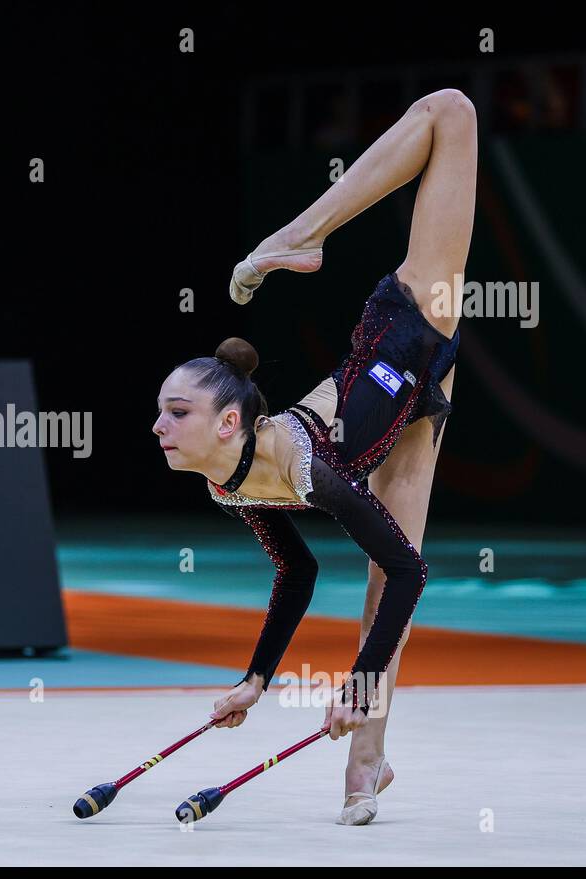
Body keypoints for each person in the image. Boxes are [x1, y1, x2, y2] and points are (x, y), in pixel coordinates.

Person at [161, 89, 476, 824]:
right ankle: (366, 769)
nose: (159, 428)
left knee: (451, 110)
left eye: (177, 413)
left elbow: (410, 573)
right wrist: (255, 680)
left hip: (411, 324)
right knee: (381, 593)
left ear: (231, 420)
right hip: (413, 403)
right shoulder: (230, 487)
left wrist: (357, 685)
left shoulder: (308, 470)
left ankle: (300, 233)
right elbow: (298, 572)